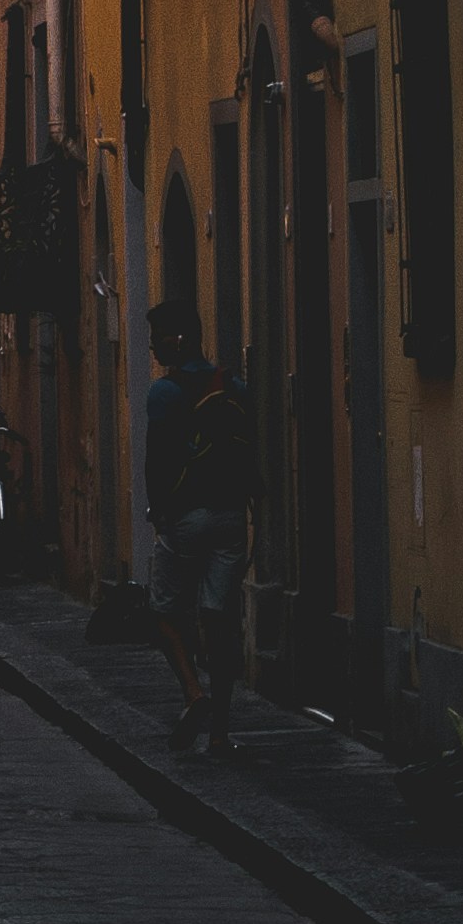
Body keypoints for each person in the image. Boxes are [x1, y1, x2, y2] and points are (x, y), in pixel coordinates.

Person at [143, 300, 257, 758]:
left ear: (177, 339)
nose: (152, 346)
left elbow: (157, 459)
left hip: (185, 518)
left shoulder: (164, 392)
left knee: (164, 611)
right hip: (231, 517)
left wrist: (159, 510)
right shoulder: (234, 386)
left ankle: (193, 690)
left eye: (156, 337)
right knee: (220, 621)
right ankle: (220, 735)